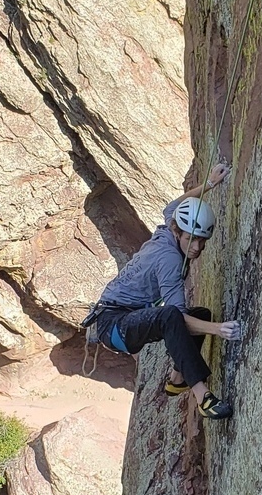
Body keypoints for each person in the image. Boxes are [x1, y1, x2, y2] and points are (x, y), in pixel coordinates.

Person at [84, 163, 239, 419]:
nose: (197, 248)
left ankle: (177, 380)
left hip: (120, 316)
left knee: (201, 313)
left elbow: (172, 207)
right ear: (179, 233)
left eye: (202, 240)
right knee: (171, 317)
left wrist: (209, 184)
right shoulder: (169, 260)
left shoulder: (171, 227)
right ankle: (204, 397)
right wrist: (219, 330)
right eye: (192, 239)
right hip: (113, 326)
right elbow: (175, 316)